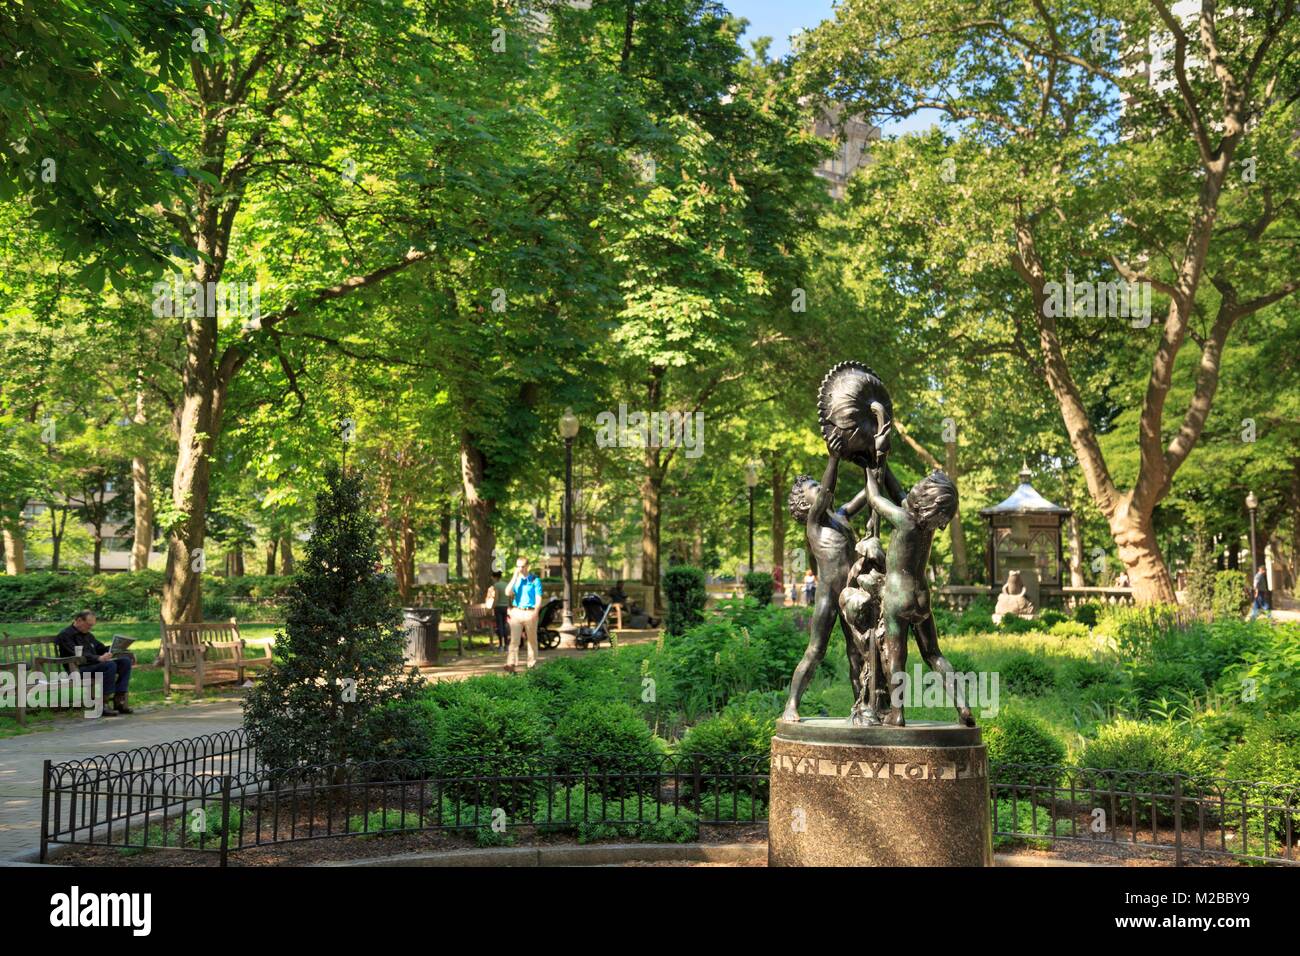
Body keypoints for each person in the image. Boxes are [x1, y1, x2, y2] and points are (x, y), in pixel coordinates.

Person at [866, 466, 972, 727]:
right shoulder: (927, 525)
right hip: (921, 597)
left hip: (897, 596)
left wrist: (870, 470)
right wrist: (885, 467)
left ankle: (897, 713)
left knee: (897, 656)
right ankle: (963, 707)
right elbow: (899, 492)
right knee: (933, 653)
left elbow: (874, 499)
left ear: (924, 498)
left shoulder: (903, 520)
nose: (914, 488)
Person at [54, 609, 133, 716]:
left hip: (94, 666)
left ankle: (119, 700)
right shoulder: (65, 635)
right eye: (88, 625)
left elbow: (100, 648)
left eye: (92, 626)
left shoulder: (87, 634)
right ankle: (102, 704)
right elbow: (76, 655)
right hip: (77, 669)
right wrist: (98, 658)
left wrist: (121, 649)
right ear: (79, 620)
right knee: (110, 665)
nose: (90, 628)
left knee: (125, 662)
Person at [505, 556, 542, 672]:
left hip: (530, 612)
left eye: (522, 566)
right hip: (517, 612)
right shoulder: (516, 580)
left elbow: (538, 598)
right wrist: (514, 576)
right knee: (514, 640)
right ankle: (511, 664)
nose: (520, 569)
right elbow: (507, 592)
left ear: (527, 567)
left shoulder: (535, 580)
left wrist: (536, 612)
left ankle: (531, 665)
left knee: (531, 640)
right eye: (518, 566)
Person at [483, 570, 511, 651]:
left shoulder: (496, 585)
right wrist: (509, 605)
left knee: (500, 626)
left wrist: (491, 608)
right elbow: (509, 597)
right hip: (505, 607)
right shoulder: (506, 585)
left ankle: (501, 645)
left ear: (495, 577)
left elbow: (496, 598)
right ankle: (506, 645)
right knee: (504, 624)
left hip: (498, 607)